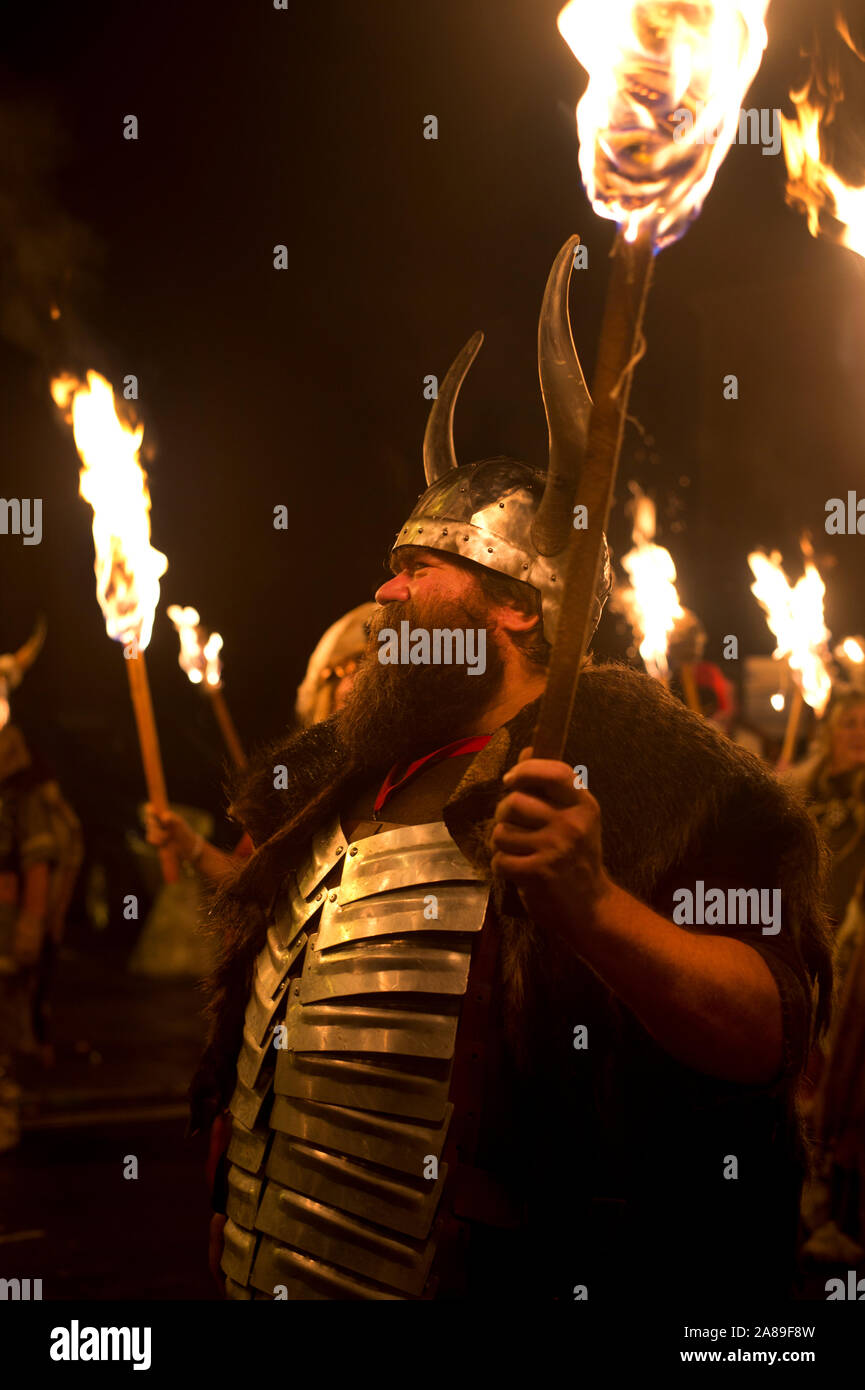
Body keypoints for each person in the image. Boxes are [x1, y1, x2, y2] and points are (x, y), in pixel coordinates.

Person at [189, 240, 833, 1302]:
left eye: (419, 570)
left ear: (519, 604)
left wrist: (595, 908)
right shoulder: (346, 777)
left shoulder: (652, 771)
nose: (385, 597)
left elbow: (773, 1026)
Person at [145, 603, 376, 883]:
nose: (359, 685)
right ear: (326, 694)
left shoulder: (413, 774)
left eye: (374, 671)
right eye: (350, 669)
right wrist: (190, 845)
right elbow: (248, 882)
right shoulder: (294, 786)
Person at [0, 724, 59, 1148]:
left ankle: (6, 1112)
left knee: (5, 1025)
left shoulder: (23, 798)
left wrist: (30, 924)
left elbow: (37, 863)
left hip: (5, 924)